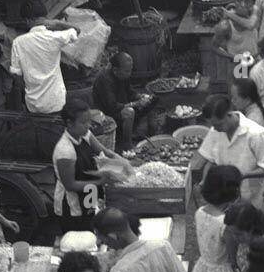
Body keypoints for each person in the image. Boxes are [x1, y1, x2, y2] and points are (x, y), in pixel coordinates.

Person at [52, 98, 131, 233]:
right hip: (73, 205)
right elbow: (70, 185)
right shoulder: (64, 150)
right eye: (83, 122)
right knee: (80, 236)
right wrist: (101, 181)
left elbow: (103, 151)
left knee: (92, 224)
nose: (88, 125)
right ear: (69, 123)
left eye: (89, 121)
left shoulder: (85, 134)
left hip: (89, 192)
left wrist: (122, 161)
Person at [192, 96, 264, 209]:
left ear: (229, 114)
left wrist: (242, 176)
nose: (215, 129)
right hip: (224, 197)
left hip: (251, 198)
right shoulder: (215, 131)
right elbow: (210, 161)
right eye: (213, 125)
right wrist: (205, 182)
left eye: (218, 124)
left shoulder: (255, 134)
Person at [9, 19, 79, 115]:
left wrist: (27, 90)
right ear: (46, 20)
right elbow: (76, 30)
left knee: (38, 128)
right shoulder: (54, 37)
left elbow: (16, 75)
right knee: (56, 127)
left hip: (33, 103)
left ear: (27, 21)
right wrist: (58, 23)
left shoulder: (18, 42)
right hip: (56, 101)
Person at [93, 51, 157, 151]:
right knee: (129, 112)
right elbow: (112, 106)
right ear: (115, 70)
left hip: (123, 105)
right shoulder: (104, 80)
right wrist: (136, 103)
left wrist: (141, 97)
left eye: (130, 70)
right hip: (108, 113)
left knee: (151, 99)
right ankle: (127, 145)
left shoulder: (123, 74)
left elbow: (130, 92)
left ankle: (151, 135)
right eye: (127, 71)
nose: (129, 73)